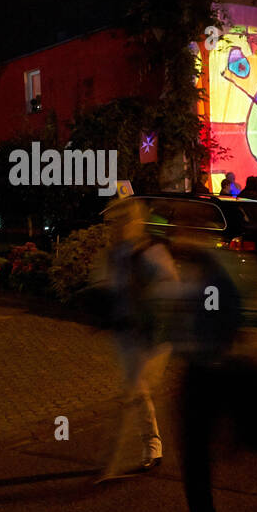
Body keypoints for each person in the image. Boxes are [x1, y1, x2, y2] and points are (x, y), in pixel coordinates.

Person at [160, 228, 257, 512]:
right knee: (249, 439)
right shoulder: (230, 267)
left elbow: (195, 328)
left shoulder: (204, 281)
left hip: (206, 374)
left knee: (195, 455)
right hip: (239, 369)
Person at [94, 198, 177, 482]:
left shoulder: (151, 253)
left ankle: (134, 452)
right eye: (114, 223)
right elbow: (108, 288)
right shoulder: (115, 254)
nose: (116, 228)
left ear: (135, 222)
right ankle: (146, 446)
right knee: (137, 390)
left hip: (149, 335)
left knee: (134, 391)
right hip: (125, 332)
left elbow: (170, 287)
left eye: (122, 221)